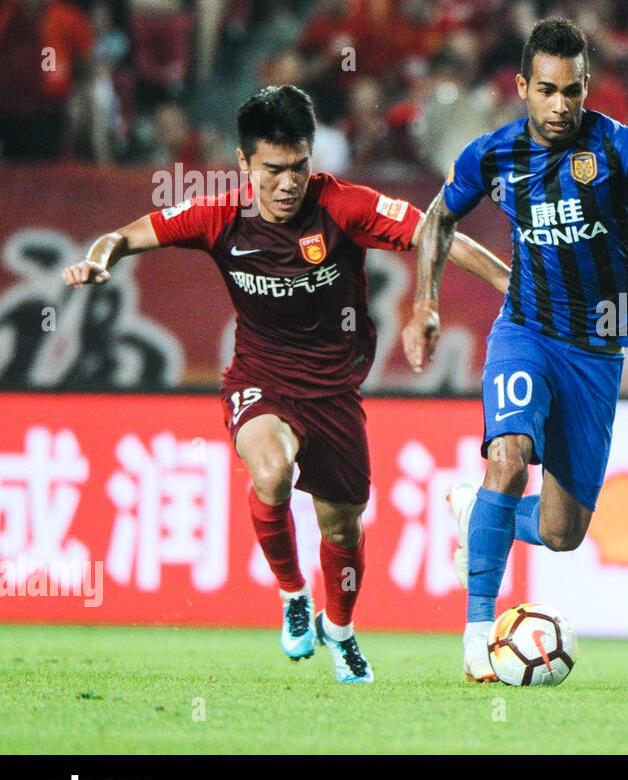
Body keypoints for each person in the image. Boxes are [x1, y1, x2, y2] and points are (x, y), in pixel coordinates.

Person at [61, 85, 509, 683]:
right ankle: (293, 593)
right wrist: (99, 260)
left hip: (334, 390)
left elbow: (435, 231)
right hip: (260, 377)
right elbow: (125, 236)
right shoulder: (217, 215)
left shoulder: (344, 206)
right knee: (271, 472)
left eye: (299, 167)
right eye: (273, 170)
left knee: (342, 524)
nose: (287, 183)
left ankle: (340, 629)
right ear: (245, 164)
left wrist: (511, 283)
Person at [402, 18, 628, 682]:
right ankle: (479, 632)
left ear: (587, 87)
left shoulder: (621, 148)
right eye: (546, 90)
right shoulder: (493, 154)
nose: (560, 104)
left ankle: (475, 513)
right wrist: (425, 301)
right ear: (522, 88)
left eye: (572, 90)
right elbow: (438, 219)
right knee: (507, 460)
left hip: (596, 351)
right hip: (526, 333)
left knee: (565, 534)